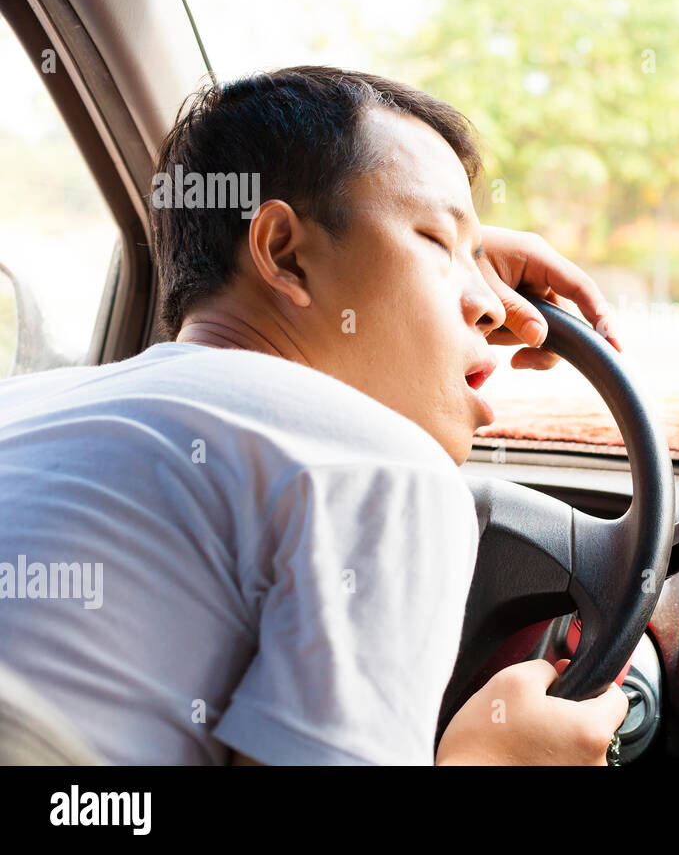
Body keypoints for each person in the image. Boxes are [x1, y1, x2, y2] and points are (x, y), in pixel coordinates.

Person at [0, 66, 628, 765]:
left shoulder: (22, 406)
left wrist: (436, 254)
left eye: (478, 259)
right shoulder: (379, 468)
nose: (488, 304)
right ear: (283, 253)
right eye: (436, 242)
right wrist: (496, 760)